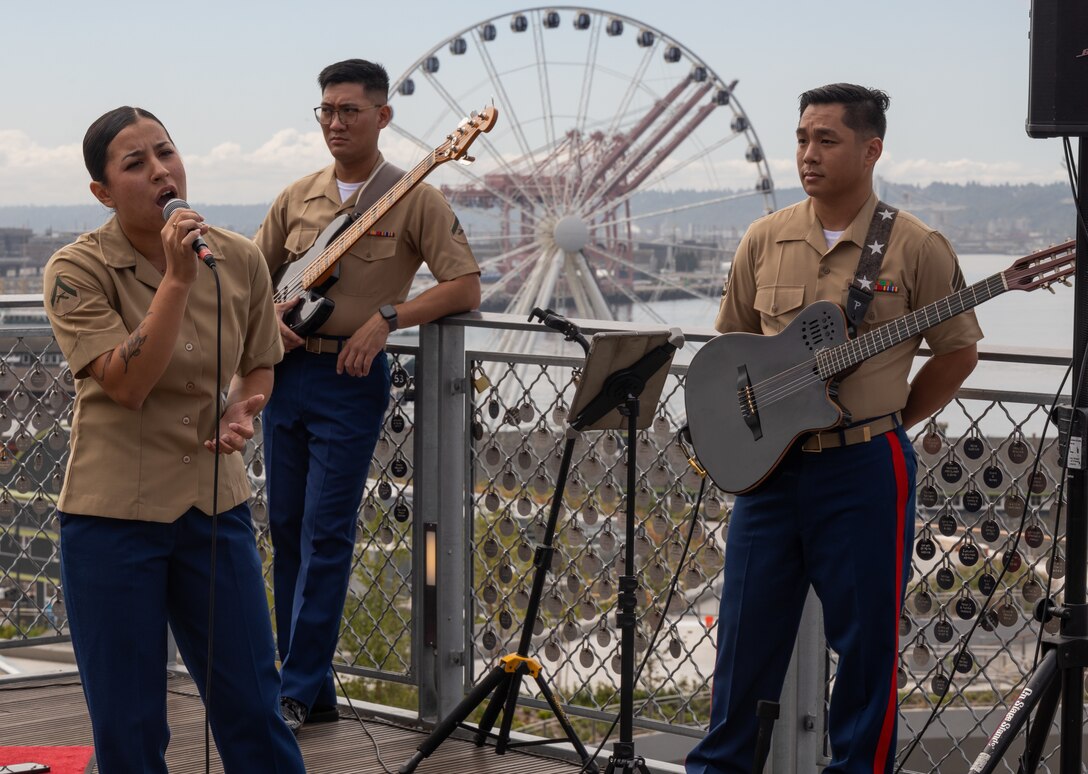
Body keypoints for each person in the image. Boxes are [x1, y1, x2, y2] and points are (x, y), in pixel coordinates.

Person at [685, 84, 982, 774]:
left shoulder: (916, 245)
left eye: (826, 140)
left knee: (867, 647)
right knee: (743, 643)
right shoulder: (764, 237)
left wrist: (892, 423)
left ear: (871, 149)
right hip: (767, 475)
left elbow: (958, 351)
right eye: (801, 138)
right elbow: (731, 347)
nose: (808, 154)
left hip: (862, 470)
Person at [43, 107, 304, 773]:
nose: (161, 170)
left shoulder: (239, 257)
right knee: (130, 730)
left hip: (214, 511)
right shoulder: (76, 271)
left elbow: (261, 359)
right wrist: (178, 280)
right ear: (103, 191)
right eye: (135, 163)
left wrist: (247, 406)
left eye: (166, 153)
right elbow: (126, 384)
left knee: (254, 708)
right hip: (112, 524)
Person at [255, 58, 481, 732]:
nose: (335, 122)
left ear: (383, 116)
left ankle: (291, 690)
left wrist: (388, 319)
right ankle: (311, 688)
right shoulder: (297, 198)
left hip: (350, 382)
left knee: (327, 534)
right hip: (285, 376)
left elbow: (464, 286)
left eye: (349, 110)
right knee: (287, 530)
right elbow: (252, 281)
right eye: (325, 110)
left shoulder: (416, 196)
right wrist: (265, 330)